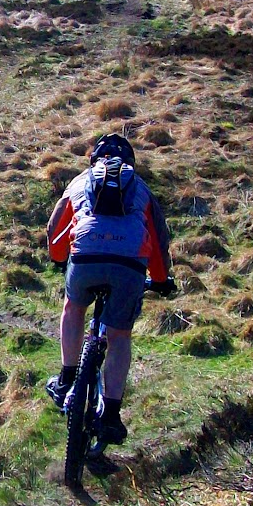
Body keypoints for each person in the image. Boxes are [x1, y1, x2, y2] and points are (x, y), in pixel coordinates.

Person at [44, 133, 174, 446]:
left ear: (94, 159)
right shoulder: (141, 188)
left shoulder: (80, 181)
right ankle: (112, 414)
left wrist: (60, 258)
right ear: (131, 163)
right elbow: (158, 238)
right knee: (119, 336)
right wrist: (159, 278)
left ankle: (65, 379)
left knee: (73, 308)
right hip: (129, 264)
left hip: (86, 255)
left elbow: (55, 229)